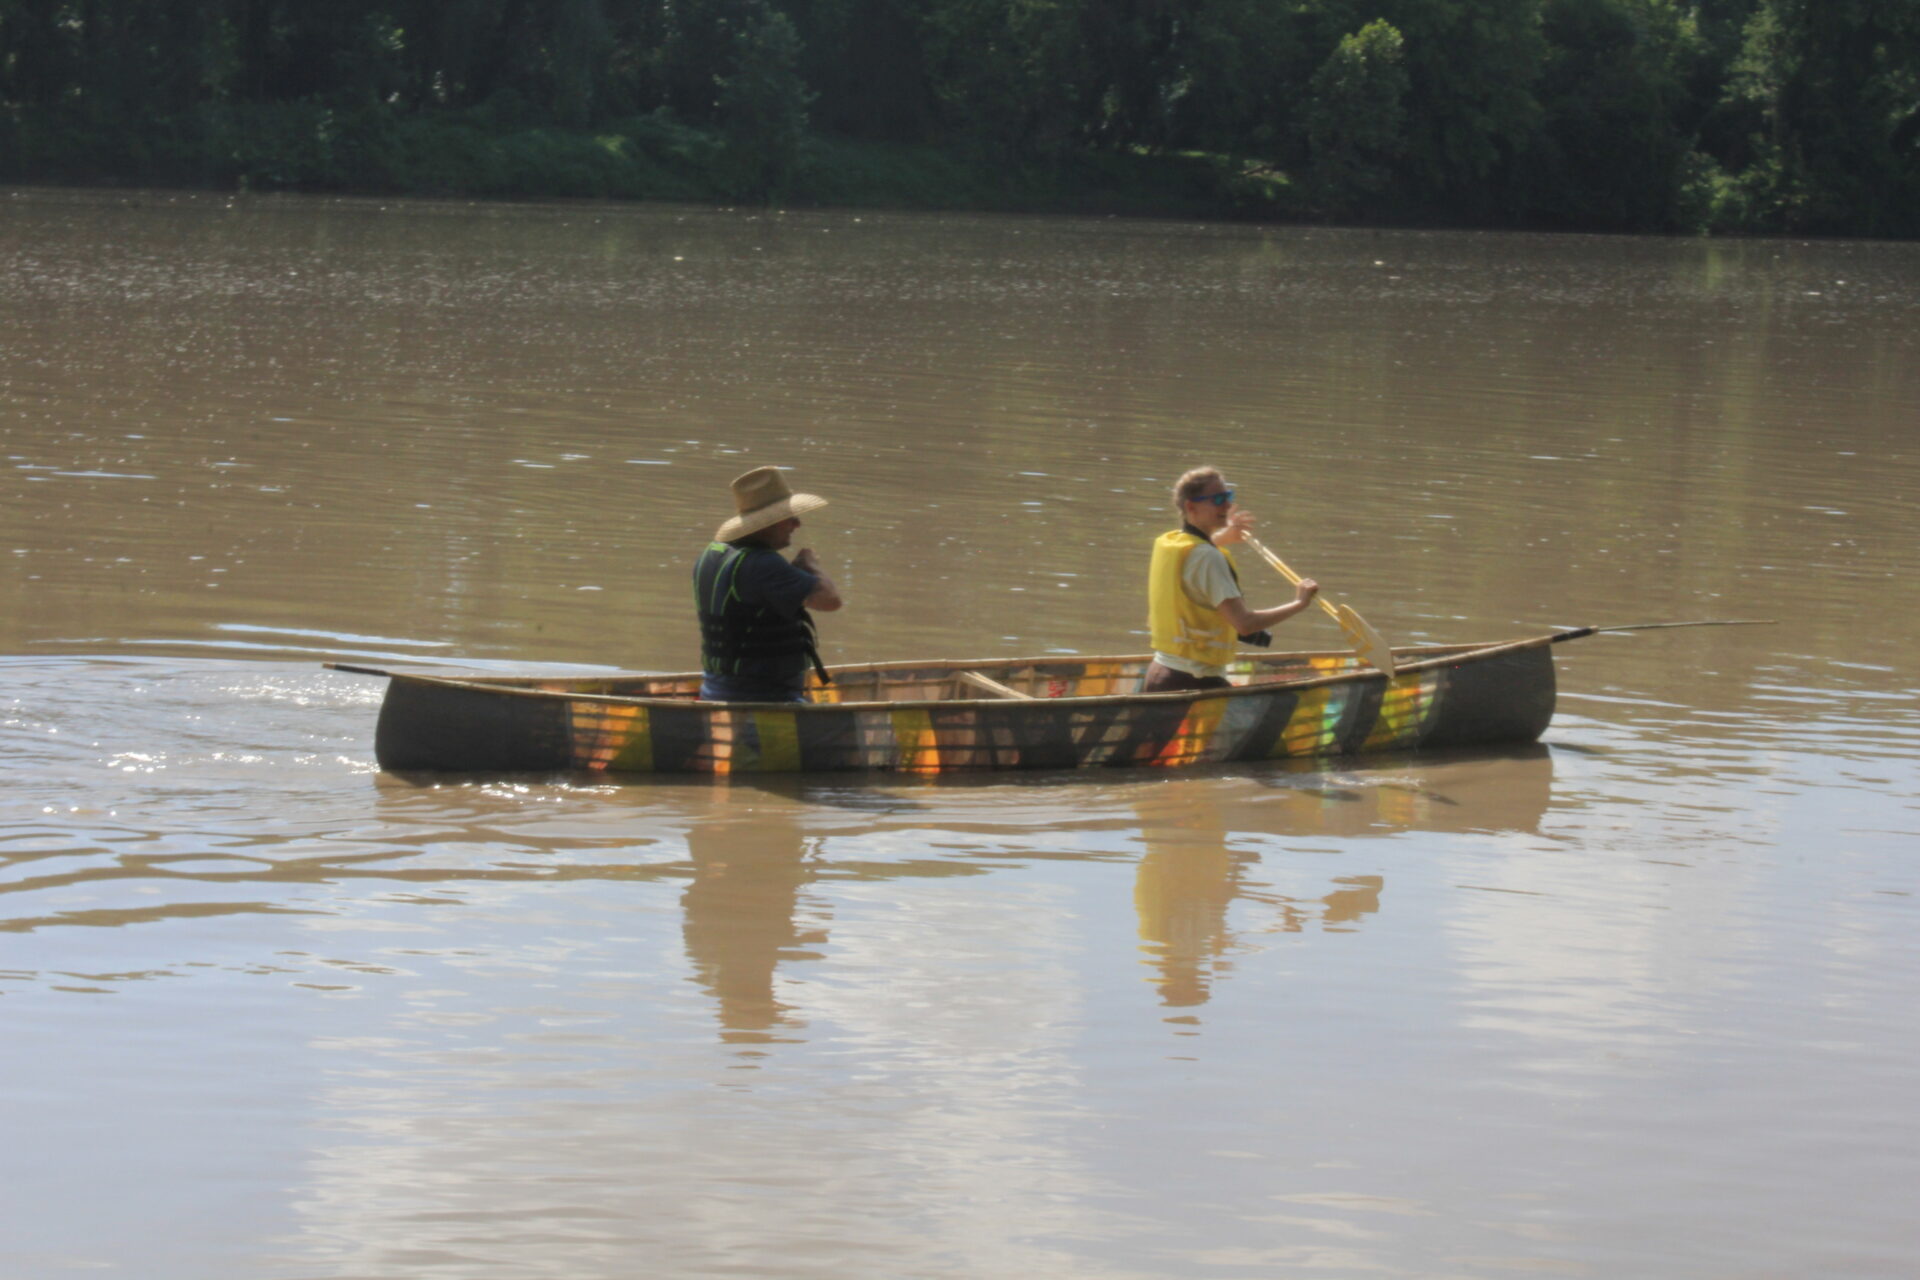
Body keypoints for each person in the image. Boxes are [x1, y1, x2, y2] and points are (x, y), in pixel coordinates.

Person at [1144, 466, 1318, 693]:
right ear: (1191, 506)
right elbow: (1244, 625)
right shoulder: (1208, 557)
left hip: (1161, 673)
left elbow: (1197, 563)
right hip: (1193, 682)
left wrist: (1222, 538)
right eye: (1217, 499)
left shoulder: (1174, 543)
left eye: (1228, 496)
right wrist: (1300, 604)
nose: (1226, 506)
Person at [695, 466, 844, 702]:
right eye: (789, 517)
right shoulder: (764, 564)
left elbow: (751, 596)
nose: (797, 524)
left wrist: (794, 574)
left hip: (716, 690)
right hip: (763, 699)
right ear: (765, 524)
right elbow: (830, 600)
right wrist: (811, 565)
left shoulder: (712, 554)